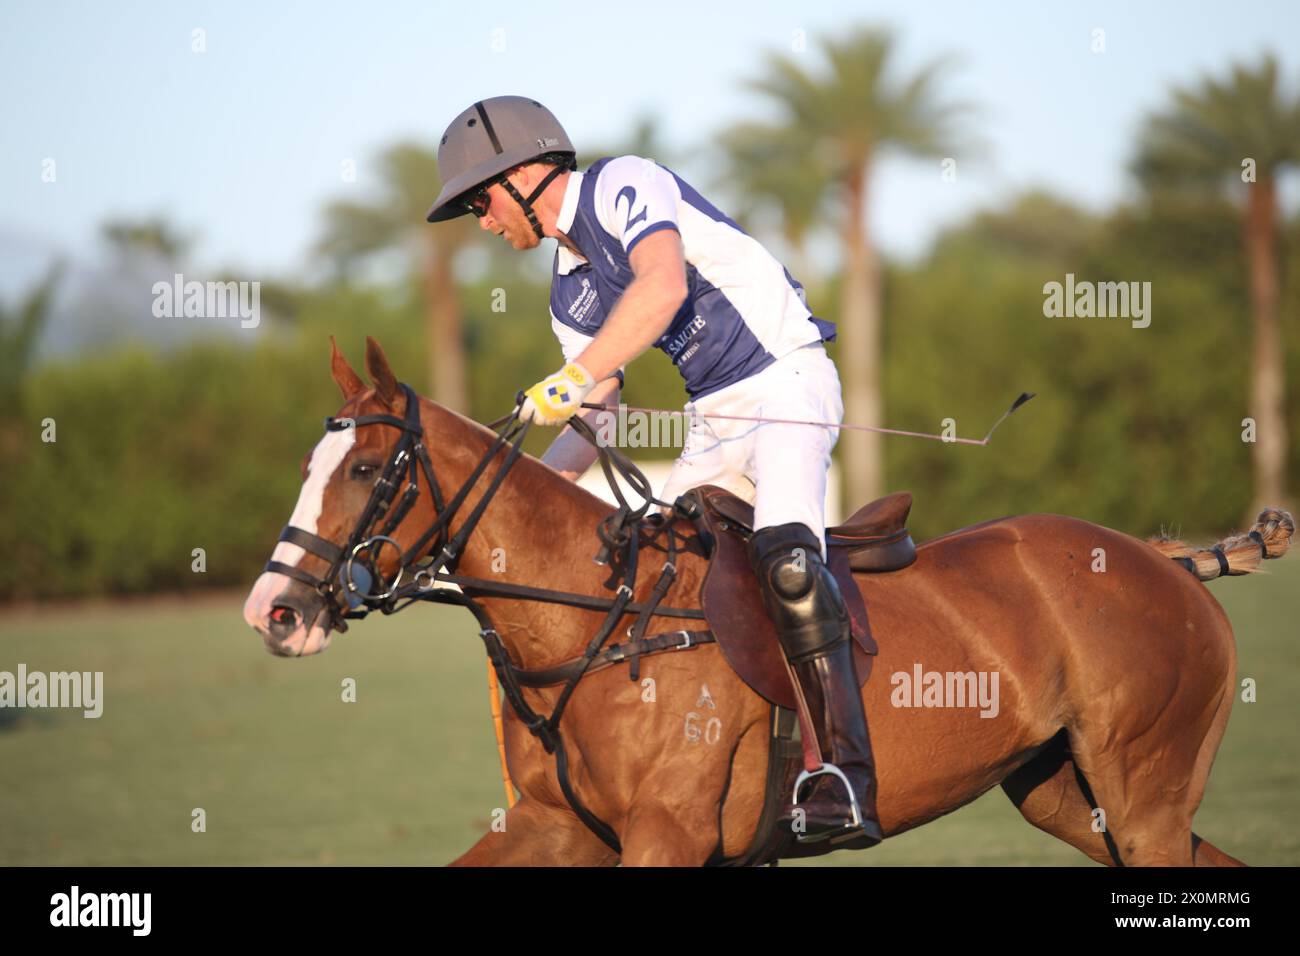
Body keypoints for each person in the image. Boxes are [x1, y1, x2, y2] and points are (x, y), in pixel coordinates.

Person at [426, 95, 881, 844]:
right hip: (713, 420)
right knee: (651, 578)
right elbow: (597, 410)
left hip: (788, 385)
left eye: (482, 199)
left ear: (529, 173)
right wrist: (509, 497)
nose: (483, 220)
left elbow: (661, 285)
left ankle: (842, 775)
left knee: (789, 565)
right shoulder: (569, 283)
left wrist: (576, 378)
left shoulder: (621, 184)